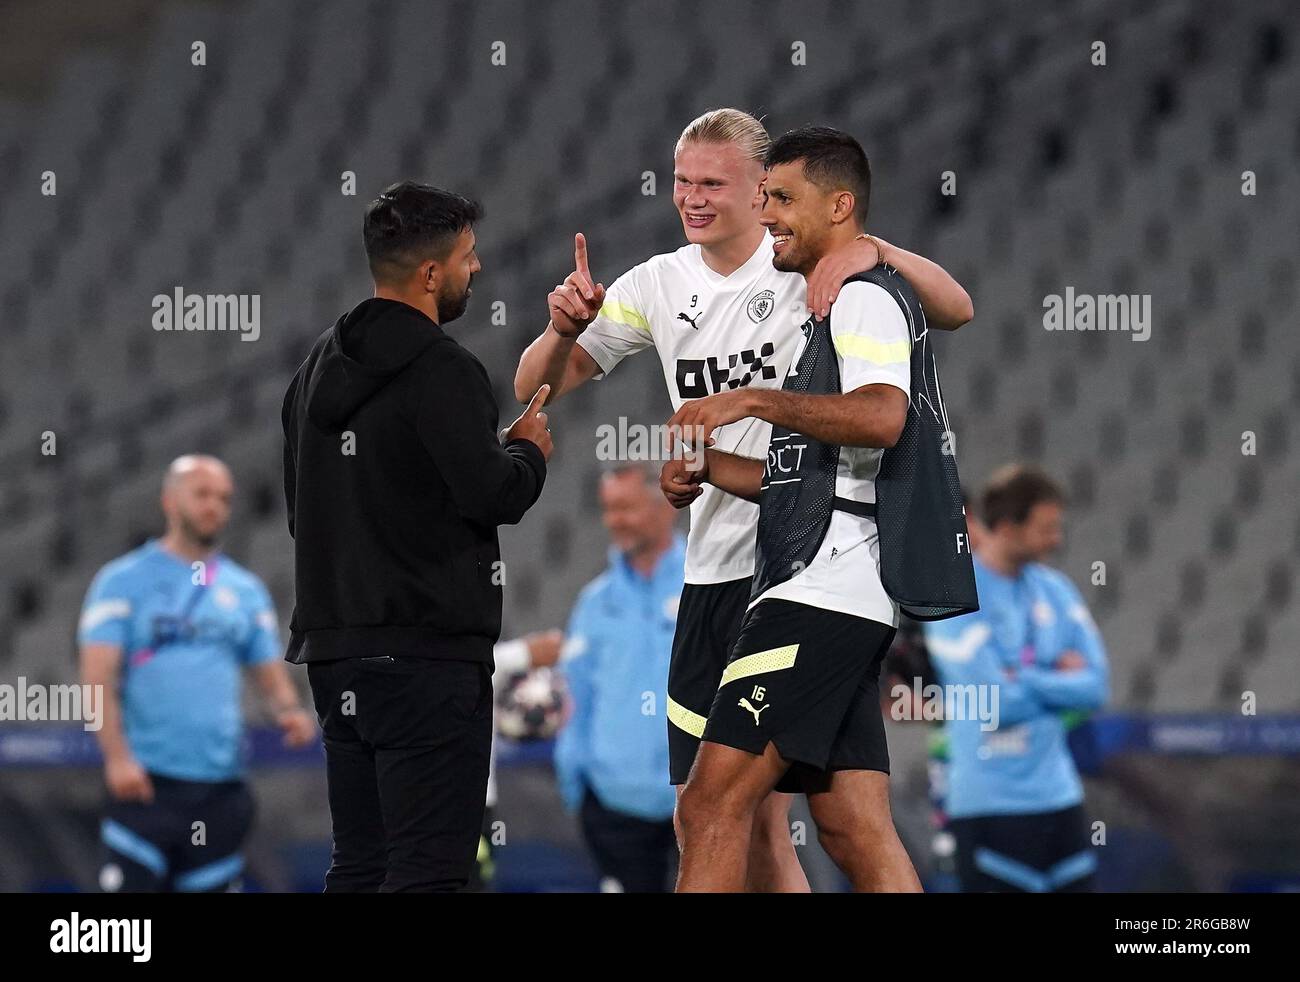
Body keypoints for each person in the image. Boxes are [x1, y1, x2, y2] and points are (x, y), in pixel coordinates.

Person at [515, 107, 973, 891]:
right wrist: (564, 331)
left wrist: (875, 248)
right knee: (820, 819)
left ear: (761, 189)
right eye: (680, 181)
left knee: (715, 808)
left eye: (711, 184)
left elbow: (952, 310)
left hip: (810, 563)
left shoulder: (813, 263)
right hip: (718, 571)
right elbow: (536, 389)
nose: (691, 198)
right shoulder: (658, 284)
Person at [661, 126, 926, 892]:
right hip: (835, 585)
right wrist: (707, 467)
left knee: (710, 808)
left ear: (839, 206)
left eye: (782, 198)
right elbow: (807, 474)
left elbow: (882, 415)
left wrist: (749, 398)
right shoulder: (832, 301)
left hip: (820, 588)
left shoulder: (861, 297)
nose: (765, 210)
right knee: (849, 823)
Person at [281, 181, 552, 892]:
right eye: (468, 255)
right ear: (431, 274)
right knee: (431, 873)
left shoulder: (312, 372)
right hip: (428, 661)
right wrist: (527, 450)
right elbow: (493, 492)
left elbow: (299, 509)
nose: (478, 268)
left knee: (361, 865)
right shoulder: (444, 368)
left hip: (336, 655)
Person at [78, 455, 315, 893]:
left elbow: (268, 674)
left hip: (220, 793)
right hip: (145, 788)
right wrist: (116, 757)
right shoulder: (121, 582)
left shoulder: (244, 592)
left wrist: (289, 711)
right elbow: (96, 681)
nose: (214, 507)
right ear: (170, 500)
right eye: (202, 494)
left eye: (224, 498)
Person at [923, 465, 1109, 892]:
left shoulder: (1056, 589)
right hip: (989, 807)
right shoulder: (953, 594)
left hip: (1060, 801)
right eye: (1047, 528)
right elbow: (996, 702)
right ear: (1008, 526)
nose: (1057, 539)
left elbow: (1096, 686)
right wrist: (1051, 677)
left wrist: (1021, 676)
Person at [553, 464, 685, 892]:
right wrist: (578, 787)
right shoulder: (593, 603)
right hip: (613, 810)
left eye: (626, 508)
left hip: (699, 807)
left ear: (666, 507)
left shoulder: (705, 588)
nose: (615, 522)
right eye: (609, 510)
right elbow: (575, 697)